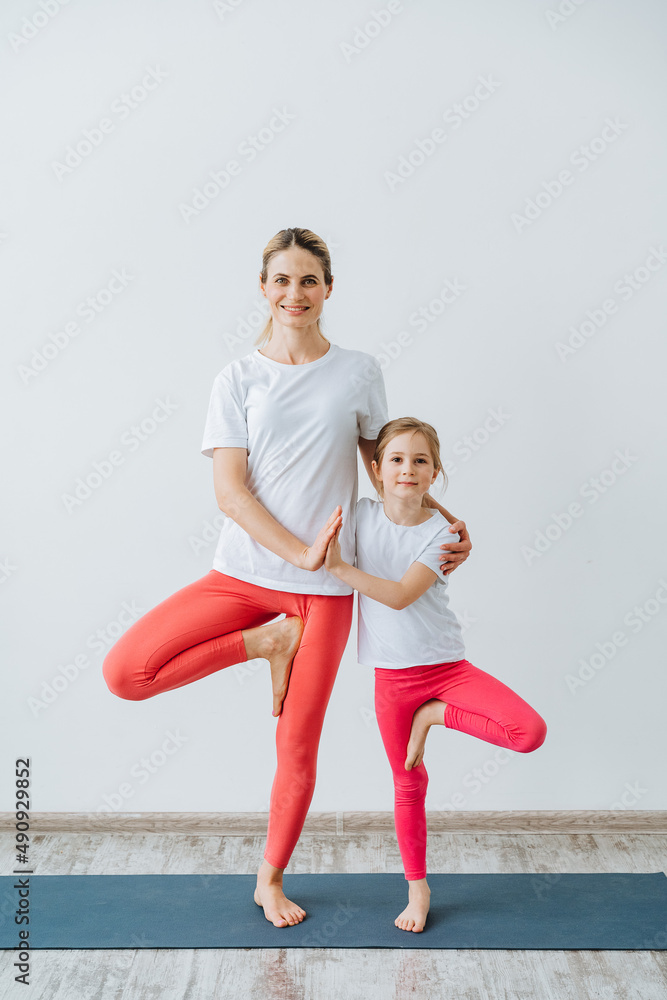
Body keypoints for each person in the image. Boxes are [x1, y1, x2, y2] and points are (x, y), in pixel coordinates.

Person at [102, 229, 473, 928]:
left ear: (328, 289)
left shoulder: (358, 371)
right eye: (281, 279)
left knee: (296, 747)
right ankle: (264, 644)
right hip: (243, 574)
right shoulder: (237, 378)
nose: (294, 293)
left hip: (324, 592)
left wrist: (444, 525)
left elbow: (391, 472)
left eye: (308, 280)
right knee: (126, 672)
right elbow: (231, 493)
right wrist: (297, 554)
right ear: (263, 287)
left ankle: (267, 880)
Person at [323, 416, 547, 933]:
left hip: (447, 669)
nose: (408, 469)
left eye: (420, 460)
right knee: (408, 781)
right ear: (376, 469)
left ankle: (434, 717)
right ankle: (417, 888)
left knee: (528, 732)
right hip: (392, 681)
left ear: (435, 471)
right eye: (397, 459)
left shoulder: (442, 534)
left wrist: (338, 569)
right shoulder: (359, 515)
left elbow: (401, 595)